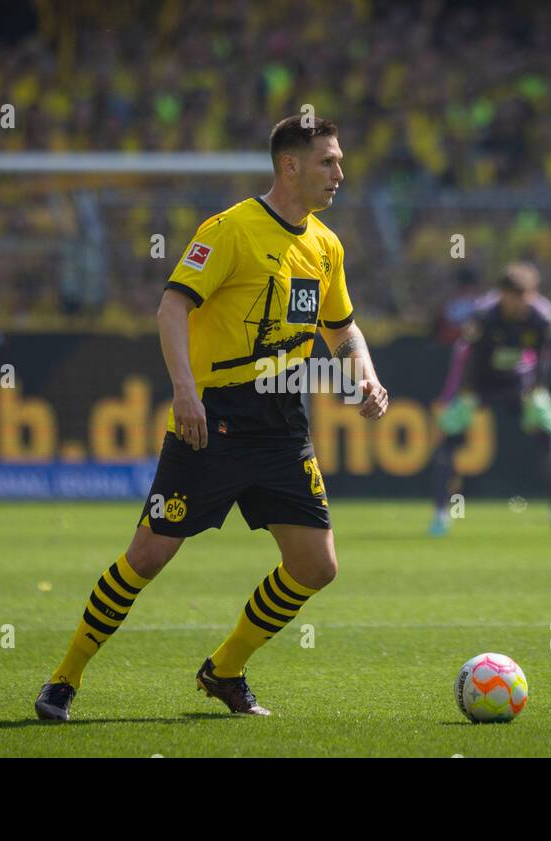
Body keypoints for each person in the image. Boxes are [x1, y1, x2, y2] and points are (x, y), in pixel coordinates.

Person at [34, 116, 389, 719]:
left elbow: (342, 325)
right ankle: (63, 680)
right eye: (328, 161)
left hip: (282, 425)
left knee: (316, 565)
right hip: (214, 420)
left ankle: (224, 671)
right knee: (147, 556)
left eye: (340, 160)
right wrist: (185, 392)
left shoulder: (326, 246)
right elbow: (173, 306)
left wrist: (366, 374)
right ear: (290, 165)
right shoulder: (229, 230)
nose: (339, 173)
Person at [428, 262, 551, 539]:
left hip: (518, 380)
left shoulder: (544, 318)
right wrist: (463, 395)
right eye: (513, 296)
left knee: (549, 437)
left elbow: (543, 358)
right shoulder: (482, 316)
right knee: (450, 438)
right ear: (502, 293)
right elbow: (468, 357)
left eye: (525, 296)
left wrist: (539, 392)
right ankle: (441, 515)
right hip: (480, 381)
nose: (519, 304)